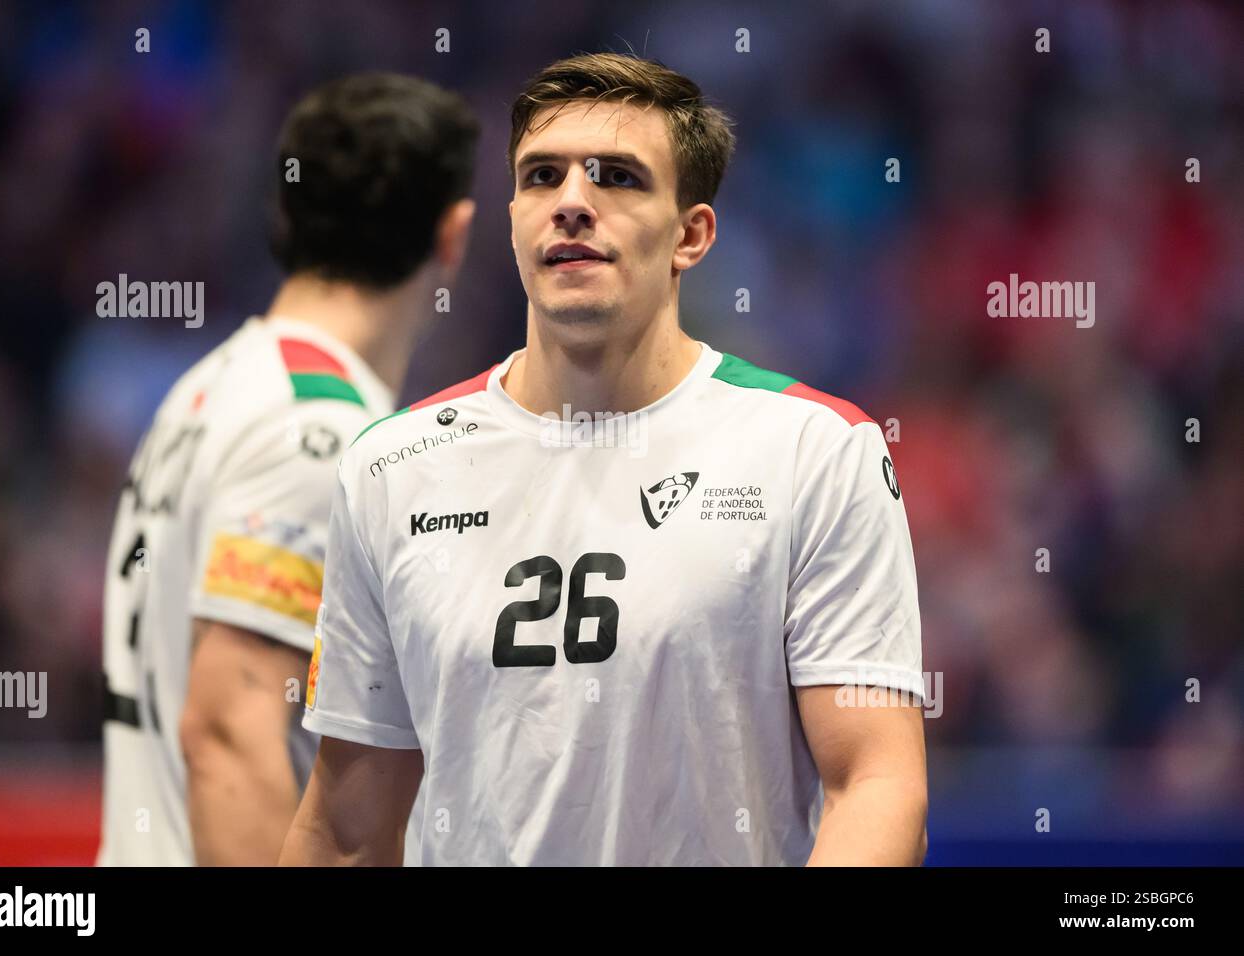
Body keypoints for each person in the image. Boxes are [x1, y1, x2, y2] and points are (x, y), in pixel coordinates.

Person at [283, 53, 926, 866]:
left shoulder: (816, 452)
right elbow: (345, 828)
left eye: (617, 177)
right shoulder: (391, 467)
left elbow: (876, 782)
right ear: (512, 215)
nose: (573, 204)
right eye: (542, 177)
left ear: (691, 234)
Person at [97, 72, 478, 865]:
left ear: (286, 213)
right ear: (454, 234)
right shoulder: (321, 431)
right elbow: (232, 730)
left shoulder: (209, 384)